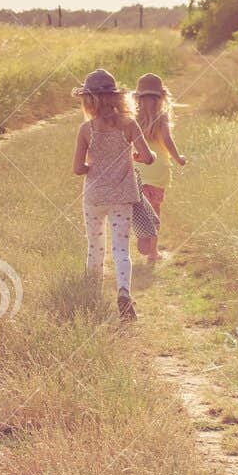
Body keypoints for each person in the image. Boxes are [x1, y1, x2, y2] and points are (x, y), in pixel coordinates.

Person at [71, 68, 155, 321]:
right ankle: (124, 293)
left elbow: (77, 169)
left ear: (88, 101)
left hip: (94, 197)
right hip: (122, 198)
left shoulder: (87, 129)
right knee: (121, 249)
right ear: (117, 98)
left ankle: (92, 295)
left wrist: (93, 168)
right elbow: (148, 158)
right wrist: (133, 156)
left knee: (95, 247)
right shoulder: (129, 125)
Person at [132, 73, 186, 263]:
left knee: (140, 208)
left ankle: (141, 233)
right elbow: (168, 141)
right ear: (161, 97)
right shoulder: (162, 117)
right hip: (158, 171)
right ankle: (153, 252)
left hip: (138, 169)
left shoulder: (133, 118)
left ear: (137, 98)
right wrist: (178, 158)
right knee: (155, 211)